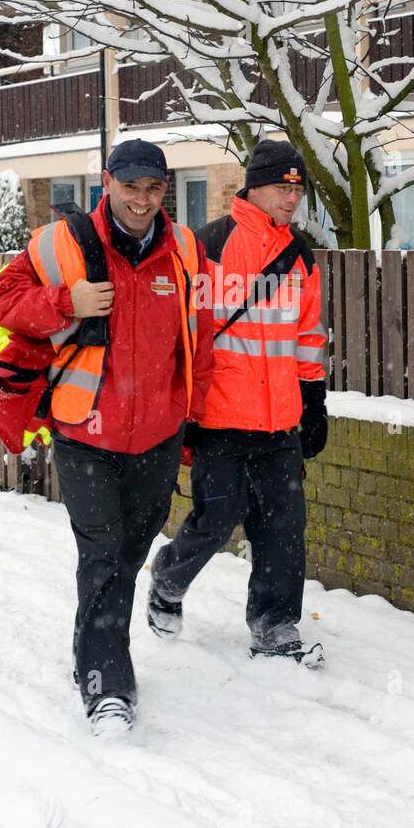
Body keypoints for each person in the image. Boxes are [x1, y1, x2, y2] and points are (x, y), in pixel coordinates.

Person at [0, 139, 214, 735]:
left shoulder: (186, 251)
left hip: (159, 435)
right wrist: (68, 300)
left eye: (155, 188)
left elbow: (202, 340)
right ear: (107, 183)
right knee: (103, 550)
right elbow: (1, 301)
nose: (142, 199)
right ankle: (107, 680)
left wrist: (194, 422)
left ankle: (90, 644)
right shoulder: (58, 244)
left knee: (129, 553)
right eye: (131, 185)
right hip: (85, 431)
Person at [147, 138, 328, 665]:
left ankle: (275, 625)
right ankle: (167, 578)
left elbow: (307, 336)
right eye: (281, 187)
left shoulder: (300, 258)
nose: (291, 199)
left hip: (280, 424)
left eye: (298, 189)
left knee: (283, 526)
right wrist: (183, 411)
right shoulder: (208, 248)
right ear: (253, 186)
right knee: (215, 521)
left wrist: (313, 400)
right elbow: (184, 336)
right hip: (220, 419)